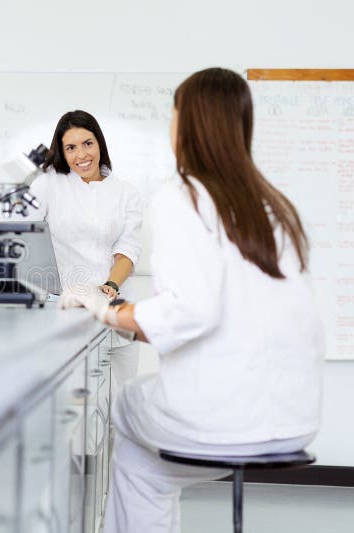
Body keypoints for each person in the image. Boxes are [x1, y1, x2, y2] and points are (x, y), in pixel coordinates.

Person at [60, 68, 324, 533]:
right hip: (296, 418)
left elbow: (191, 311)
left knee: (124, 407)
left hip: (225, 420)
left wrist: (108, 309)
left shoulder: (184, 197)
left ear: (187, 124)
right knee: (146, 470)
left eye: (174, 113)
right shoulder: (274, 205)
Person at [30, 110, 143, 300]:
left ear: (99, 143)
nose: (81, 155)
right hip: (62, 300)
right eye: (71, 148)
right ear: (62, 153)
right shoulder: (47, 184)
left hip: (111, 298)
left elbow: (127, 250)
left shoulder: (126, 192)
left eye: (88, 144)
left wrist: (110, 285)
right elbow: (19, 231)